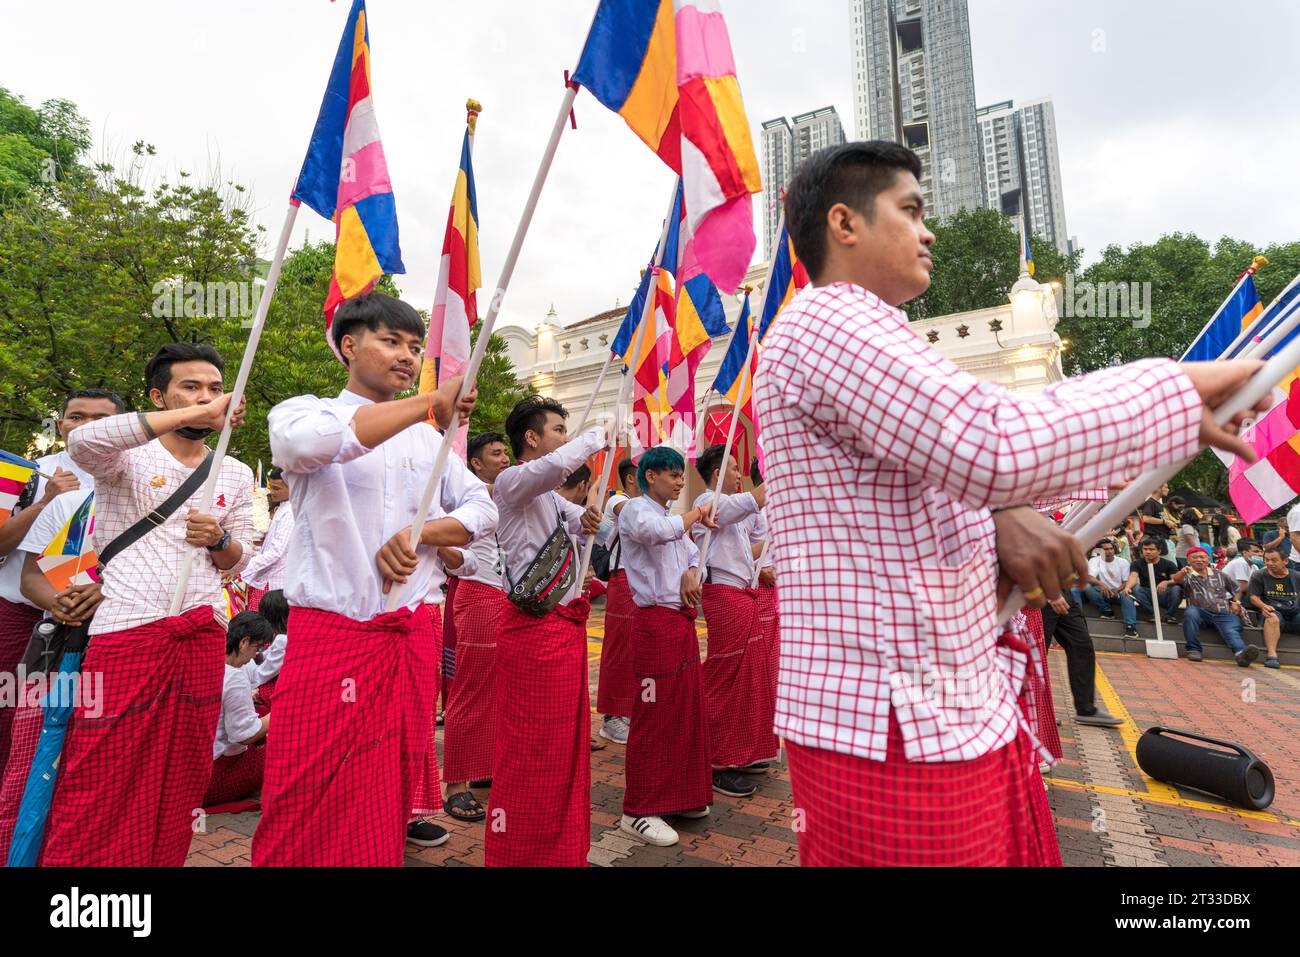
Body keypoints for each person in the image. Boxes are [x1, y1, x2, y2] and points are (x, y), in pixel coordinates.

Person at [751, 139, 1267, 866]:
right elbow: (989, 443)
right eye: (911, 209)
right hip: (895, 717)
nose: (929, 231)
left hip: (929, 704)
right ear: (845, 224)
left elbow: (957, 467)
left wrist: (1001, 514)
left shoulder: (869, 334)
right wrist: (1177, 387)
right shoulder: (831, 320)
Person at [254, 292, 494, 866]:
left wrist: (425, 533)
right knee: (302, 785)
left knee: (383, 790)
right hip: (331, 639)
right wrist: (428, 404)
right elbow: (307, 446)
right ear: (348, 346)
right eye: (391, 341)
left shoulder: (429, 443)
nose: (408, 356)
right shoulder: (304, 412)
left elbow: (482, 509)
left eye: (415, 347)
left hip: (409, 637)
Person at [39, 346, 255, 867]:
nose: (206, 397)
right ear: (159, 397)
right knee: (100, 769)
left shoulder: (236, 472)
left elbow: (238, 558)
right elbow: (82, 438)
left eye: (214, 388)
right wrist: (192, 416)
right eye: (190, 388)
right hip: (126, 628)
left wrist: (219, 538)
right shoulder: (126, 456)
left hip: (202, 631)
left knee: (182, 776)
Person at [485, 395, 603, 867]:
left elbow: (583, 520)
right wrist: (598, 436)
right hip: (533, 633)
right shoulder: (513, 481)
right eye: (558, 429)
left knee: (563, 745)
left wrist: (591, 519)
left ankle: (560, 848)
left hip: (561, 630)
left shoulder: (551, 497)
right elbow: (553, 469)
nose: (565, 438)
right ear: (531, 438)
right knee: (533, 748)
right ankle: (522, 851)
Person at [0, 390, 122, 780]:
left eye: (100, 419)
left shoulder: (132, 475)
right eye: (76, 417)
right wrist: (44, 501)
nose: (86, 427)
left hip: (94, 623)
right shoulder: (33, 474)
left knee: (72, 719)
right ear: (62, 422)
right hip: (21, 614)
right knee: (12, 711)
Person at [617, 446, 716, 848]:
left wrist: (693, 572)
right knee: (654, 715)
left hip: (680, 623)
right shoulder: (636, 511)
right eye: (673, 475)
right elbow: (656, 534)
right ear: (651, 476)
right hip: (655, 623)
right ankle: (638, 809)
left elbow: (695, 554)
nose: (679, 481)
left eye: (681, 475)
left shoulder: (669, 517)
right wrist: (695, 515)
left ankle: (679, 795)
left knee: (685, 711)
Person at [691, 444, 773, 796]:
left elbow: (750, 546)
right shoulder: (708, 503)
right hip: (724, 594)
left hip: (740, 593)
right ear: (717, 472)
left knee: (744, 677)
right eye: (735, 468)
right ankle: (713, 761)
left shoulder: (727, 508)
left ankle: (737, 751)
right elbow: (755, 499)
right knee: (726, 677)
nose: (739, 475)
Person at [440, 431, 512, 822]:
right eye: (495, 454)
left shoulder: (514, 493)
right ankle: (456, 785)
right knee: (469, 691)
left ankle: (482, 766)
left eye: (507, 453)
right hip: (478, 594)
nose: (504, 459)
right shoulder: (464, 497)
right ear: (475, 464)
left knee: (498, 691)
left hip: (507, 598)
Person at [205, 611, 275, 807]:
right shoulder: (234, 677)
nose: (255, 655)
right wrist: (281, 713)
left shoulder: (209, 661)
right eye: (256, 648)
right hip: (216, 774)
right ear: (244, 642)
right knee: (282, 751)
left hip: (197, 767)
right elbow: (243, 734)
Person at [596, 458, 640, 744]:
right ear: (632, 479)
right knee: (618, 649)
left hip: (640, 582)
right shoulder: (618, 501)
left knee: (636, 650)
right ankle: (612, 717)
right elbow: (637, 519)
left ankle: (629, 709)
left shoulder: (647, 505)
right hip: (622, 580)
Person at [1171, 547, 1259, 666]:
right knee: (1190, 612)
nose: (1199, 560)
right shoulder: (1187, 574)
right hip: (1200, 613)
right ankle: (1193, 649)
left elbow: (1237, 590)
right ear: (1188, 560)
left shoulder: (1220, 574)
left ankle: (1241, 654)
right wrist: (1182, 572)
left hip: (1223, 613)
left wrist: (1236, 602)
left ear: (1208, 559)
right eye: (1195, 557)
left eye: (1202, 557)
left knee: (1231, 630)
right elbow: (1176, 580)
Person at [241, 467, 293, 610]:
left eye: (276, 488)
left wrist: (242, 566)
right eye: (271, 488)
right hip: (270, 577)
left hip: (277, 581)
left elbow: (276, 552)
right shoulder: (284, 507)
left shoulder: (291, 512)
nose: (271, 492)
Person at [1247, 546, 1300, 669]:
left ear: (1285, 561)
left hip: (1294, 613)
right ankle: (1272, 655)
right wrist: (1263, 606)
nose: (1269, 563)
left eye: (1274, 560)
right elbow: (1253, 597)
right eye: (1266, 560)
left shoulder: (1297, 576)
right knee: (1272, 617)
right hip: (1273, 613)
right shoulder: (1259, 575)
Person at [1076, 538, 1138, 638]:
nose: (1109, 551)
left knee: (1127, 596)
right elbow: (1089, 577)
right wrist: (1101, 584)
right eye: (1105, 549)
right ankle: (1106, 610)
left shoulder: (1123, 562)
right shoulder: (1095, 560)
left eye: (1111, 548)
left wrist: (1117, 590)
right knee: (1087, 587)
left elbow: (1126, 582)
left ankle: (1131, 627)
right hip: (1102, 593)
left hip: (1119, 592)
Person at [244, 589, 289, 708]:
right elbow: (264, 657)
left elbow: (263, 674)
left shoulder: (283, 641)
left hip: (276, 690)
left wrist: (242, 685)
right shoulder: (282, 638)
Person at [1123, 538, 1183, 625]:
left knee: (1177, 589)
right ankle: (1153, 614)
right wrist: (1127, 587)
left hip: (1163, 593)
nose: (1147, 552)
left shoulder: (1169, 564)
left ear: (1159, 551)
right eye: (1145, 549)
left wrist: (1166, 582)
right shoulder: (1137, 563)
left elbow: (1176, 580)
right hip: (1147, 594)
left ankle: (1169, 615)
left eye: (1151, 549)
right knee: (1135, 588)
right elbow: (1133, 576)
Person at [1140, 483, 1178, 549]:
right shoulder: (1150, 502)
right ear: (1158, 488)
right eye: (1166, 487)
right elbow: (1146, 518)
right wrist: (1165, 522)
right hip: (1155, 540)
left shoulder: (1159, 504)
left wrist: (1168, 523)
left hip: (1162, 539)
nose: (1168, 490)